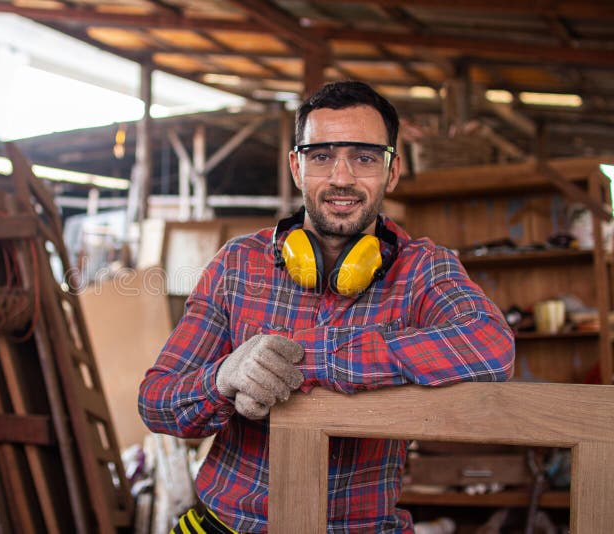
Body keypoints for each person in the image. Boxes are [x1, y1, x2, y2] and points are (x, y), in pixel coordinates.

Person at [138, 80, 515, 533]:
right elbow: (156, 402)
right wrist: (222, 379)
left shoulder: (422, 269)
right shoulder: (238, 265)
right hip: (230, 523)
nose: (341, 178)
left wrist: (313, 358)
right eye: (321, 157)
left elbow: (492, 345)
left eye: (365, 158)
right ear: (296, 167)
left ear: (392, 172)